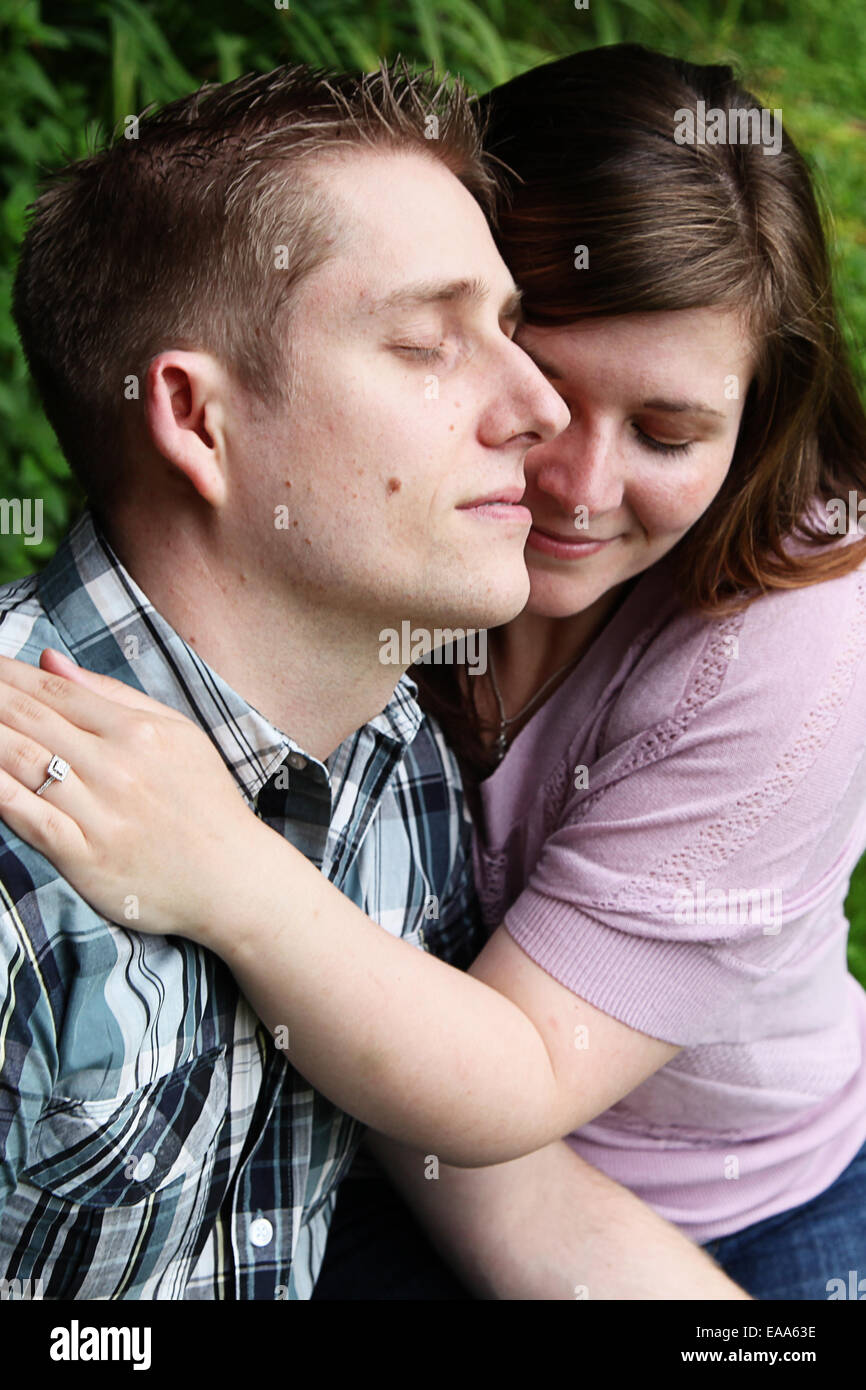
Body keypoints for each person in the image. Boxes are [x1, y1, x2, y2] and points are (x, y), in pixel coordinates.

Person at [0, 58, 748, 1301]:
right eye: (422, 343)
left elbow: (511, 1196)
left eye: (507, 330)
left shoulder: (400, 765)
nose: (539, 408)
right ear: (197, 420)